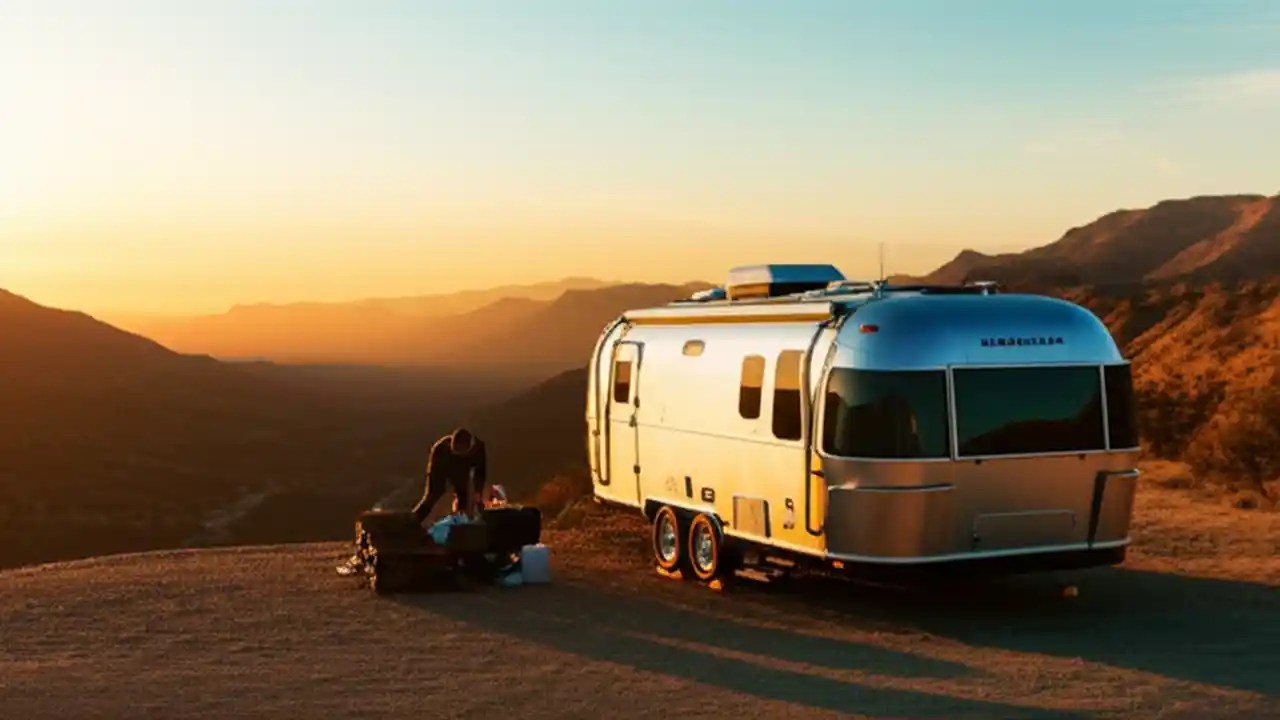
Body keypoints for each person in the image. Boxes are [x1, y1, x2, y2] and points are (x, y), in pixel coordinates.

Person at [412, 427, 487, 523]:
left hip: (463, 467)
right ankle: (413, 522)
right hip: (442, 465)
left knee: (465, 496)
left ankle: (461, 525)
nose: (459, 453)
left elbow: (480, 472)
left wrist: (478, 492)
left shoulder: (478, 449)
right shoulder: (441, 449)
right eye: (456, 450)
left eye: (461, 451)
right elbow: (436, 475)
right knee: (433, 496)